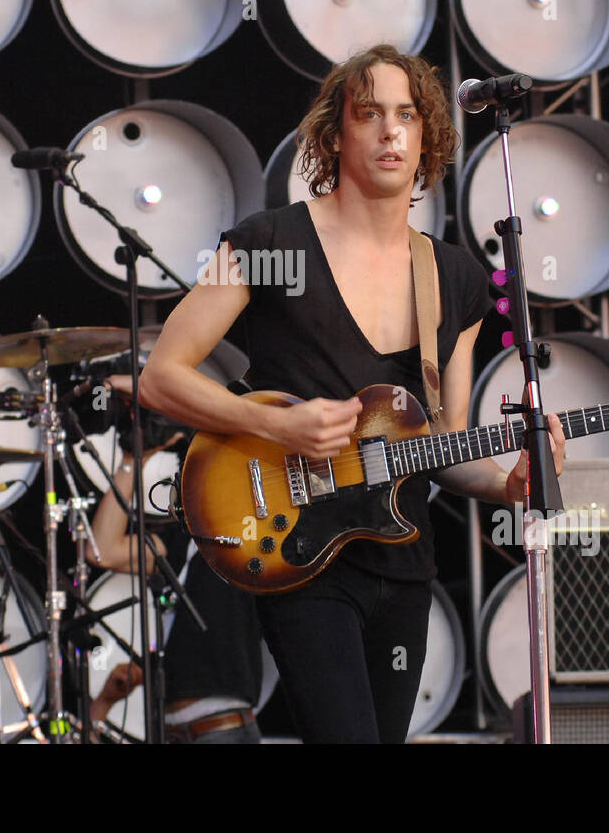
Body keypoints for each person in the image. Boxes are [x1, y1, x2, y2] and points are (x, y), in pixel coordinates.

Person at [139, 44, 566, 744]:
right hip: (300, 548)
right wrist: (276, 425)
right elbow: (163, 375)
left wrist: (511, 482)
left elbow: (445, 444)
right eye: (370, 114)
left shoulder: (453, 274)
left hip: (401, 561)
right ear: (337, 134)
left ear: (428, 135)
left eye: (406, 115)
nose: (391, 131)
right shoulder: (270, 241)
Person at [87, 375, 263, 744]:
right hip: (171, 730)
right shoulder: (182, 543)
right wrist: (133, 460)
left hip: (223, 728)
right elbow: (99, 550)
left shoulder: (250, 534)